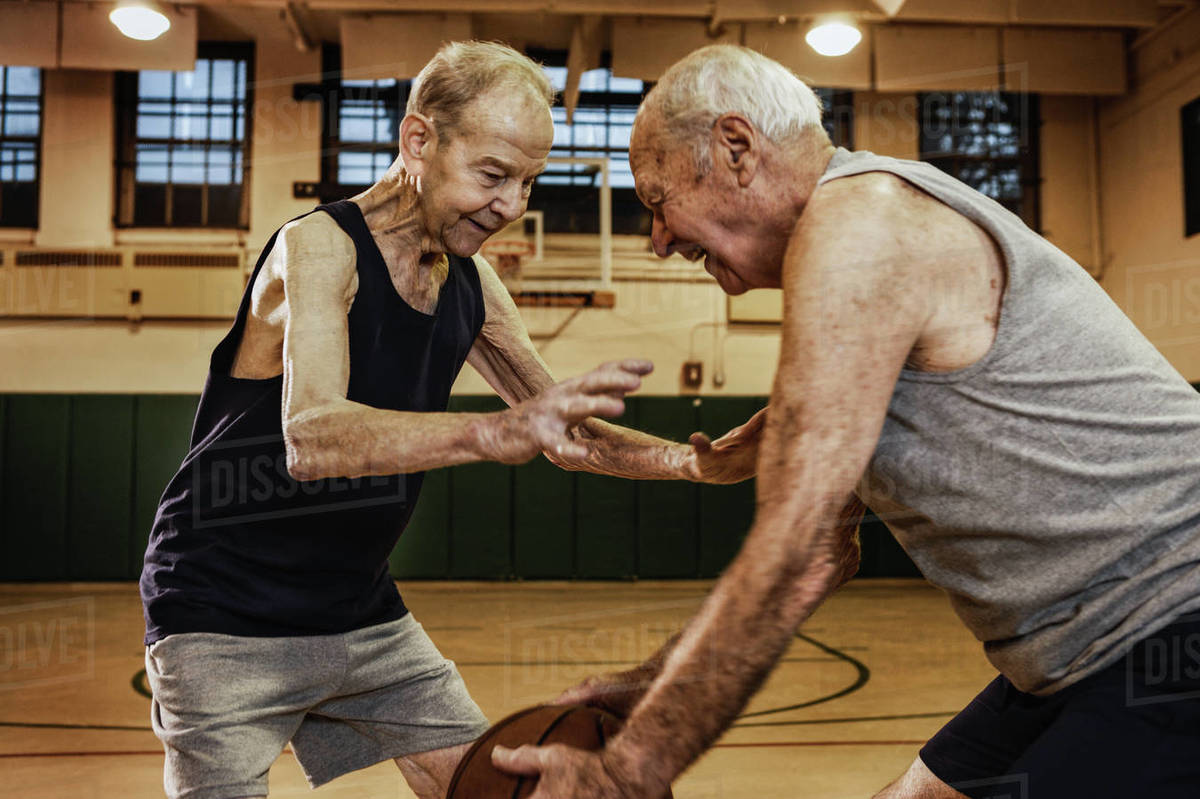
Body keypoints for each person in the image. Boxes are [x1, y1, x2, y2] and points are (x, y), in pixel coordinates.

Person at [491, 44, 1200, 798]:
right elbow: (826, 554)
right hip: (1082, 657)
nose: (659, 240)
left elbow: (792, 552)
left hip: (1171, 630)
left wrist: (631, 770)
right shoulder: (849, 251)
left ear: (736, 148)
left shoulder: (863, 227)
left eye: (658, 199)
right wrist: (650, 686)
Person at [139, 41, 760, 799]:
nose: (511, 204)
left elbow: (562, 432)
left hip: (360, 611)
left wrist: (698, 462)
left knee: (499, 791)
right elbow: (312, 436)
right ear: (418, 141)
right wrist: (489, 432)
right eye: (493, 174)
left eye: (528, 180)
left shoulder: (474, 285)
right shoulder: (317, 248)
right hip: (219, 610)